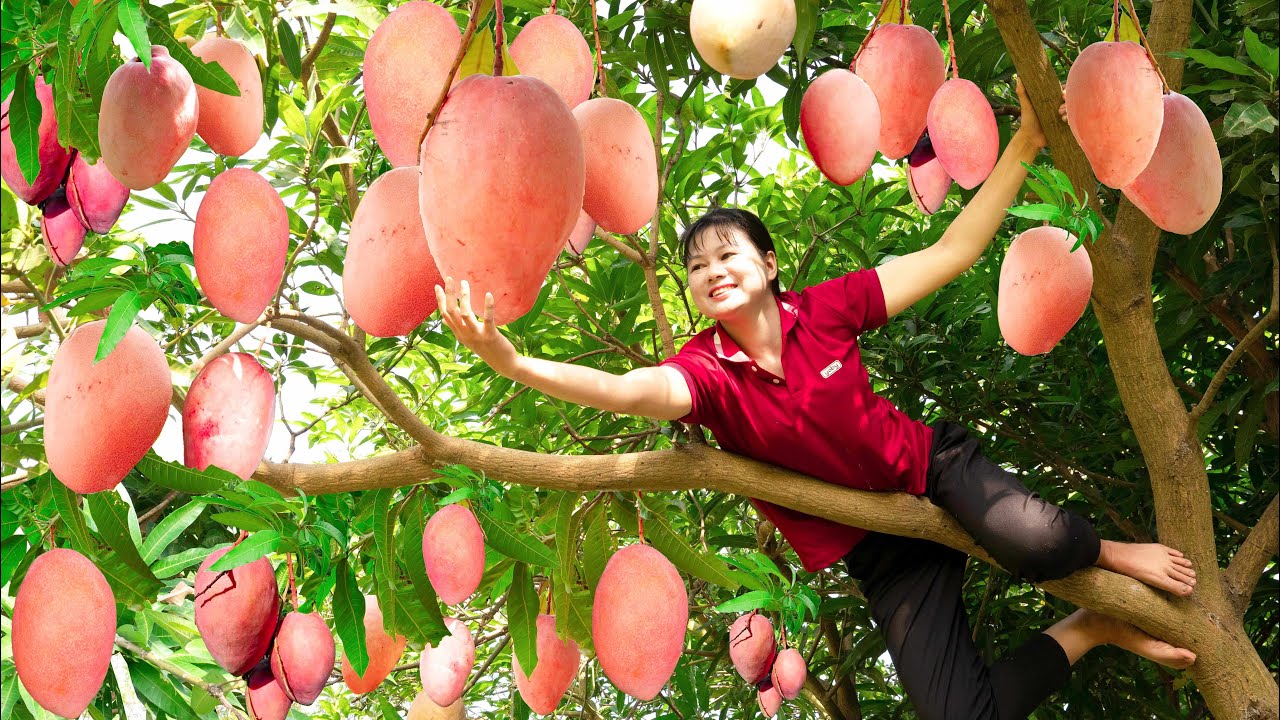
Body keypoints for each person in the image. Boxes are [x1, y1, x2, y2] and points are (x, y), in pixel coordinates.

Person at [432, 80, 1197, 719]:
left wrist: (1026, 141)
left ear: (768, 264)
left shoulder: (826, 310)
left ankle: (1107, 554)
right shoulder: (708, 373)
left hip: (932, 474)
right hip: (880, 552)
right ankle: (1093, 626)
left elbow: (952, 251)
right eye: (696, 267)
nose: (711, 271)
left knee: (1046, 546)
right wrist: (513, 360)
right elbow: (628, 391)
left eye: (726, 253)